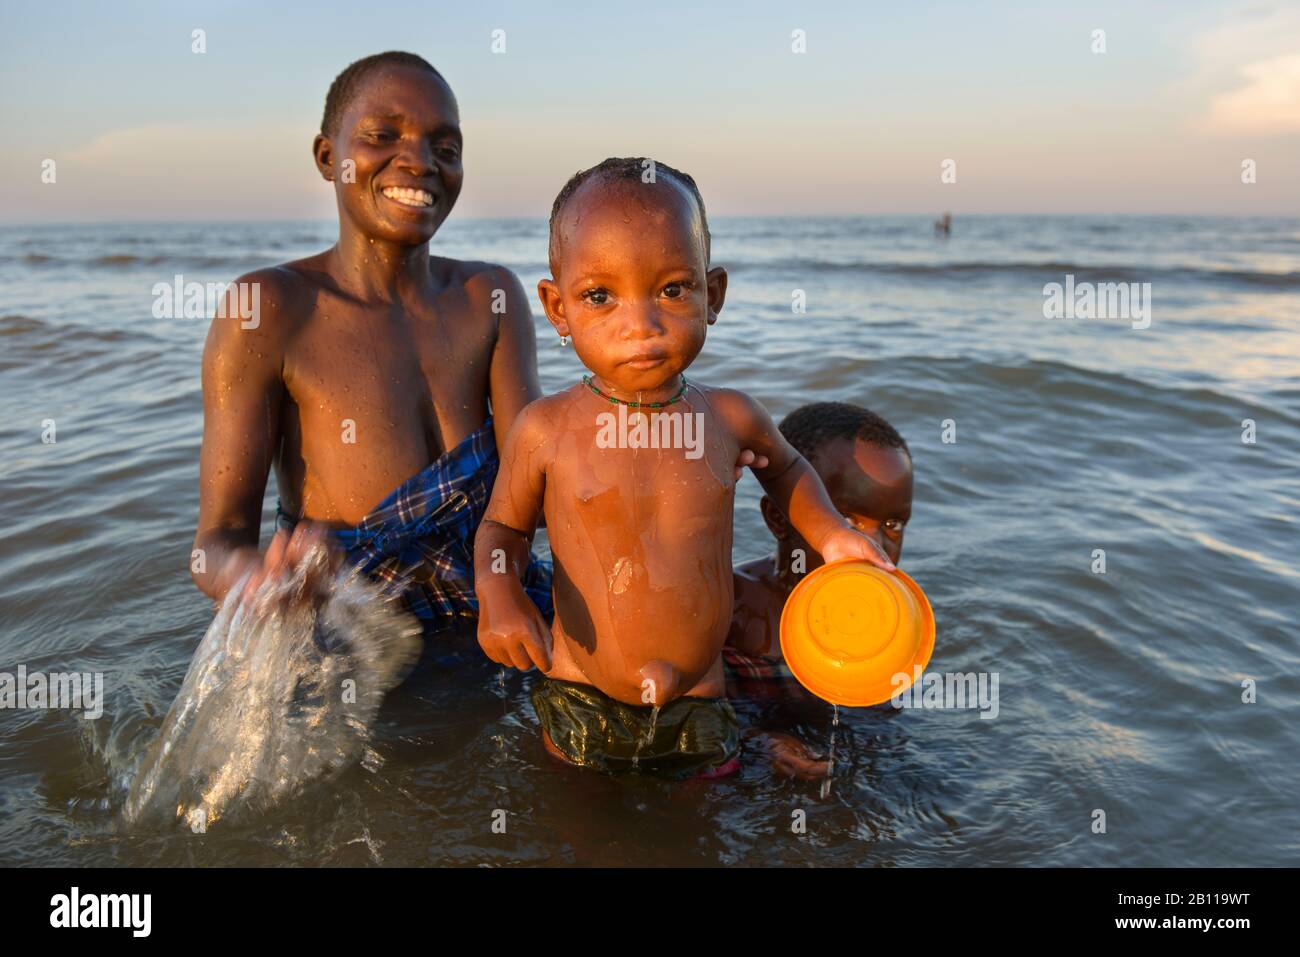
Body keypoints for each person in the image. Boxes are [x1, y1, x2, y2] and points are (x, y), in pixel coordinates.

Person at [473, 158, 894, 778]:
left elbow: (789, 469)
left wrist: (833, 535)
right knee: (572, 828)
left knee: (697, 837)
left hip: (700, 694)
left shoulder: (730, 418)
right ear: (557, 309)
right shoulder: (545, 428)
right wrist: (498, 593)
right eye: (599, 296)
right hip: (581, 691)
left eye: (672, 289)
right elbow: (501, 531)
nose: (639, 325)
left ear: (712, 294)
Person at [726, 401, 913, 778]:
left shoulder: (889, 615)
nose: (875, 544)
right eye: (845, 519)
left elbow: (882, 713)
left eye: (893, 523)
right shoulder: (733, 604)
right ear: (779, 518)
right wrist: (759, 742)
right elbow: (696, 709)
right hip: (750, 746)